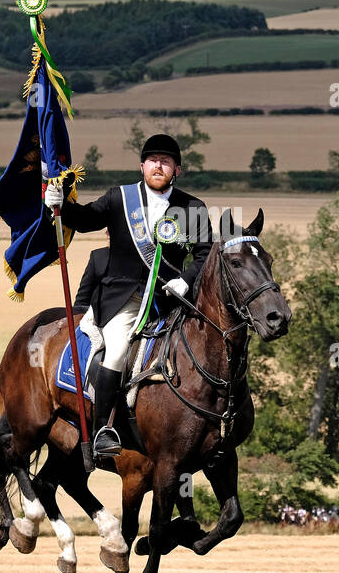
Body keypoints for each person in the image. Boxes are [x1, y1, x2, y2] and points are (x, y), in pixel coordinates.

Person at [45, 133, 214, 457]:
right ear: (142, 166)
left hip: (170, 301)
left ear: (177, 169)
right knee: (118, 351)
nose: (159, 166)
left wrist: (186, 281)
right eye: (153, 160)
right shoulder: (119, 198)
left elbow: (206, 253)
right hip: (124, 300)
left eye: (166, 161)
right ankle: (102, 430)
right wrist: (61, 205)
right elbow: (85, 220)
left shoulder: (192, 207)